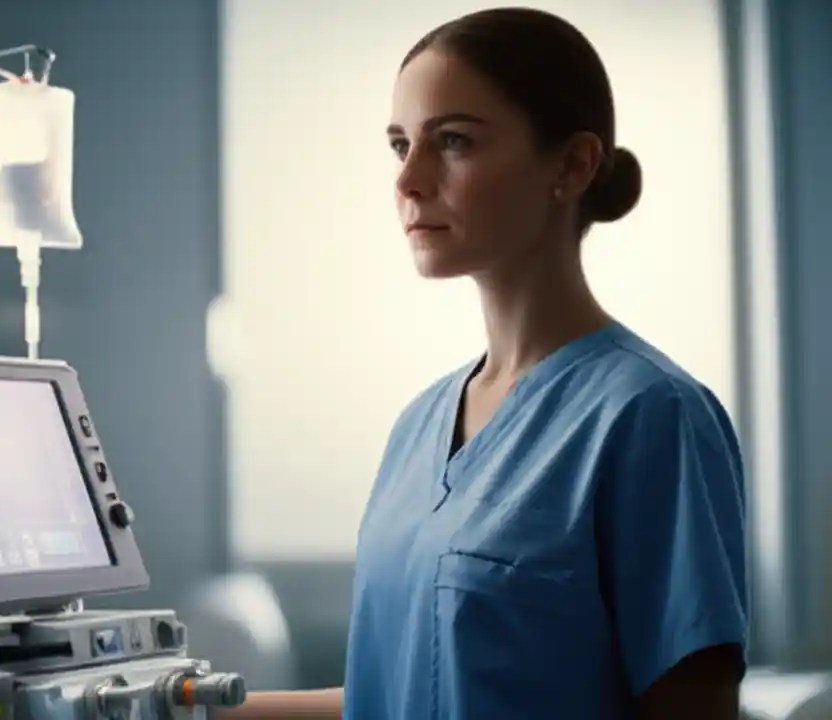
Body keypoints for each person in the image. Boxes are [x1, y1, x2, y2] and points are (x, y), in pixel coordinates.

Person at [220, 7, 748, 720]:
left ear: (572, 165)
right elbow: (399, 698)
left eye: (454, 141)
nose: (408, 180)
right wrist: (183, 708)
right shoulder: (419, 426)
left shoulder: (650, 416)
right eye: (400, 145)